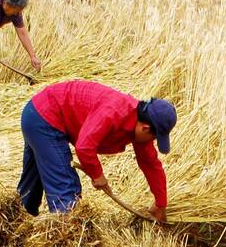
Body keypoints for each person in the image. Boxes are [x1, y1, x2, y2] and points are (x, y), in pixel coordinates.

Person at [16, 80, 176, 221]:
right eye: (154, 138)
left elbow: (151, 164)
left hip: (36, 114)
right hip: (44, 118)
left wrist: (160, 204)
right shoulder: (114, 111)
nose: (152, 142)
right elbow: (84, 146)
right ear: (145, 128)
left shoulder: (141, 124)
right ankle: (64, 246)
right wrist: (98, 175)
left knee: (30, 190)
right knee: (66, 191)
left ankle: (16, 220)